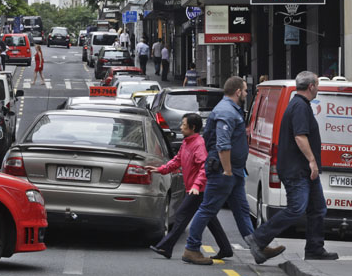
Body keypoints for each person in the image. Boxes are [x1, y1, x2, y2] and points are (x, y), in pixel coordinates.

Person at [245, 71, 338, 263]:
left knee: (318, 208)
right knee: (297, 208)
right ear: (311, 86)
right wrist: (312, 161)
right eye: (317, 85)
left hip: (303, 170)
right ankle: (258, 237)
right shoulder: (300, 107)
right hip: (298, 169)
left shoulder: (299, 105)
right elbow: (300, 136)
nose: (318, 89)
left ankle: (314, 248)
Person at [183, 77, 267, 265]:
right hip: (224, 170)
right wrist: (227, 170)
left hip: (234, 170)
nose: (246, 94)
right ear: (238, 92)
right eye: (245, 91)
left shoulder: (232, 110)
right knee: (207, 208)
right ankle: (191, 248)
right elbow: (222, 144)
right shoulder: (226, 111)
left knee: (242, 210)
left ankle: (257, 247)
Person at [145, 113, 232, 260]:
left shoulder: (198, 145)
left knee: (181, 216)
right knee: (211, 219)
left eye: (183, 125)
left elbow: (204, 168)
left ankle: (166, 246)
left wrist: (197, 186)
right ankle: (226, 249)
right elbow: (177, 160)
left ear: (192, 128)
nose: (180, 127)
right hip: (193, 188)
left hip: (199, 190)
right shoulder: (187, 142)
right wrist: (161, 169)